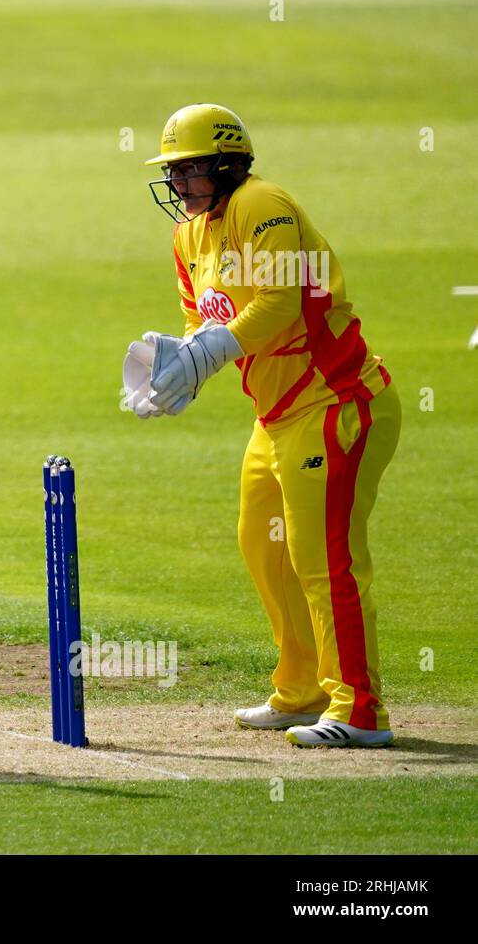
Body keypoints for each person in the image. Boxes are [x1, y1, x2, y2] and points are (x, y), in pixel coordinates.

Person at [125, 104, 400, 748]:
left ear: (227, 164)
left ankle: (359, 710)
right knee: (263, 548)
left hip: (336, 402)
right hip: (276, 417)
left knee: (324, 559)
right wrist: (174, 367)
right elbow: (205, 319)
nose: (178, 184)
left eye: (189, 169)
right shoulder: (188, 237)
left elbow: (280, 302)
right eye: (173, 171)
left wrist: (210, 352)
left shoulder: (263, 202)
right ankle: (301, 689)